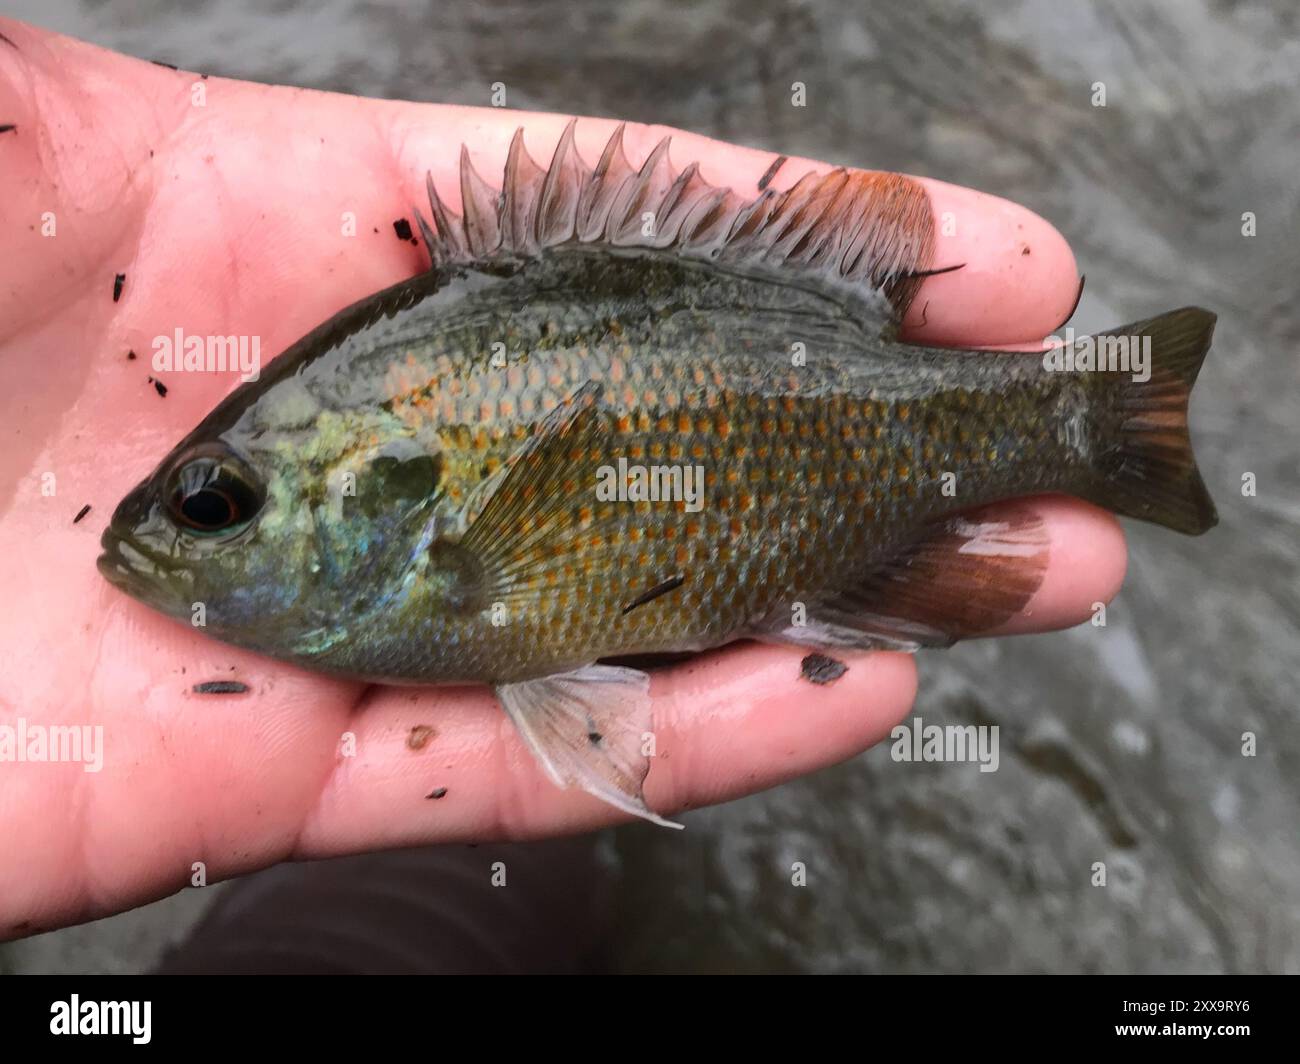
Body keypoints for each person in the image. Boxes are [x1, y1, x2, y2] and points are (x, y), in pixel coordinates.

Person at [0, 19, 1126, 954]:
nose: (180, 530)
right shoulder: (416, 500)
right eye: (214, 505)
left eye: (219, 503)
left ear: (387, 487)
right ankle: (582, 865)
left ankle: (568, 857)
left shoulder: (445, 546)